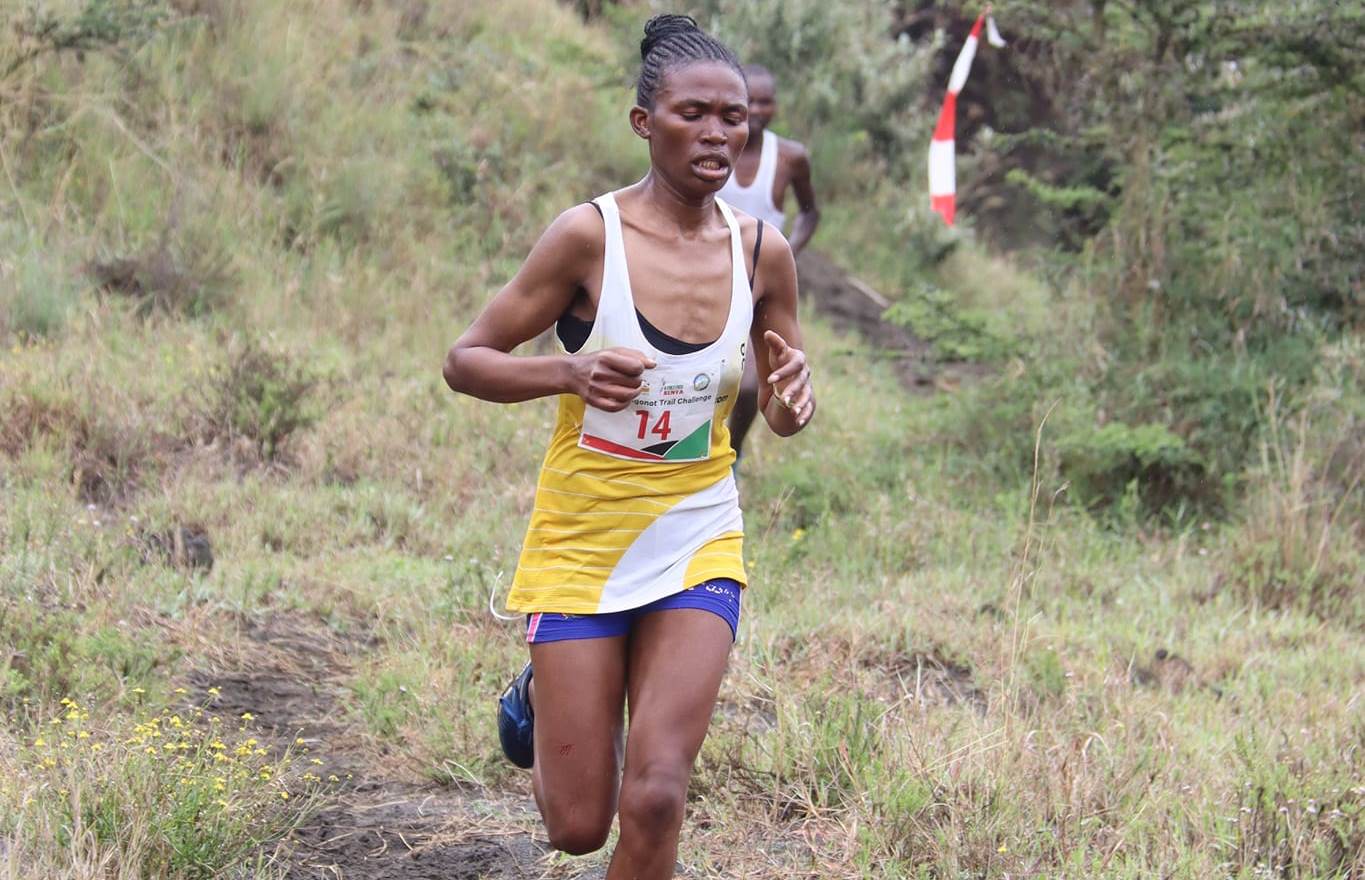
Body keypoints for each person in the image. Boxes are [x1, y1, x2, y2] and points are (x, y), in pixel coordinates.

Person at [442, 14, 814, 879]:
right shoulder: (586, 238)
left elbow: (787, 402)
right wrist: (566, 376)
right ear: (644, 123)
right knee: (577, 827)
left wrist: (795, 403)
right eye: (693, 113)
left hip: (696, 532)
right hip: (581, 538)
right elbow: (466, 361)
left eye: (733, 117)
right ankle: (543, 690)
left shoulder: (764, 252)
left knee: (654, 797)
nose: (718, 133)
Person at [717, 62, 820, 465]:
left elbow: (811, 212)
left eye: (766, 102)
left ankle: (732, 454)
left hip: (758, 289)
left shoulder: (790, 157)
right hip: (706, 279)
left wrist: (787, 252)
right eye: (749, 102)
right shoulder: (714, 144)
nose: (757, 110)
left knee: (748, 387)